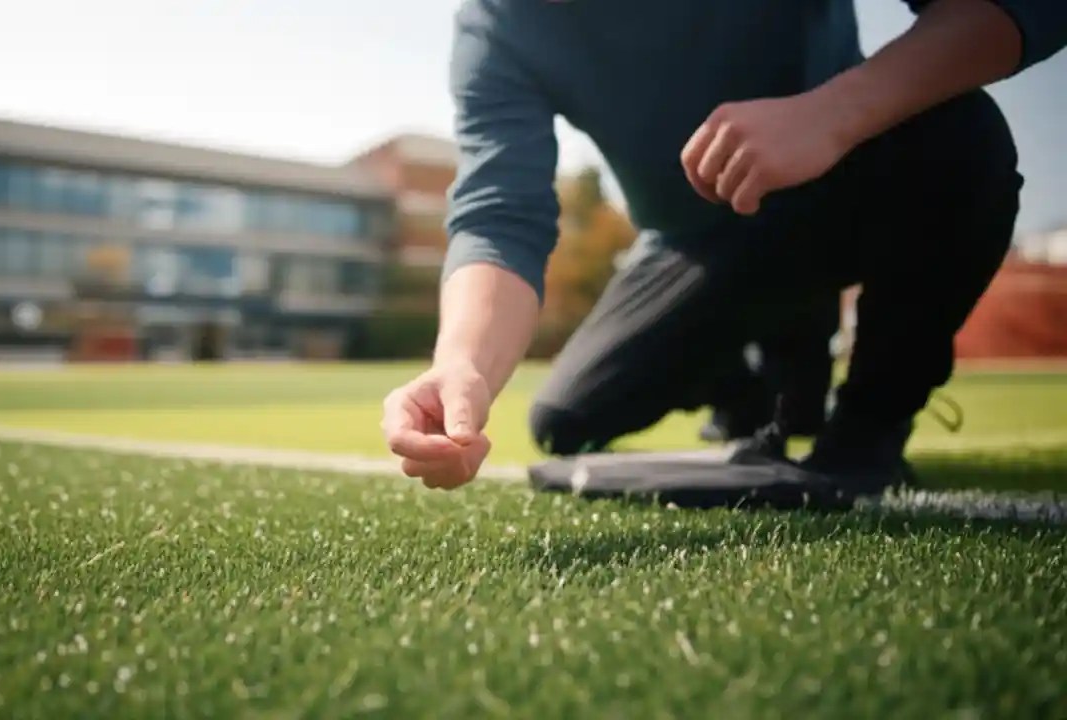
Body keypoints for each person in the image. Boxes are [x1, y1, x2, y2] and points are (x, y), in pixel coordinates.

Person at [380, 0, 1066, 495]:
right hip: (694, 246)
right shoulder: (495, 24)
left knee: (961, 135)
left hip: (847, 176)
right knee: (564, 418)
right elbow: (501, 215)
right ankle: (767, 373)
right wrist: (461, 363)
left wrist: (830, 114)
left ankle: (871, 422)